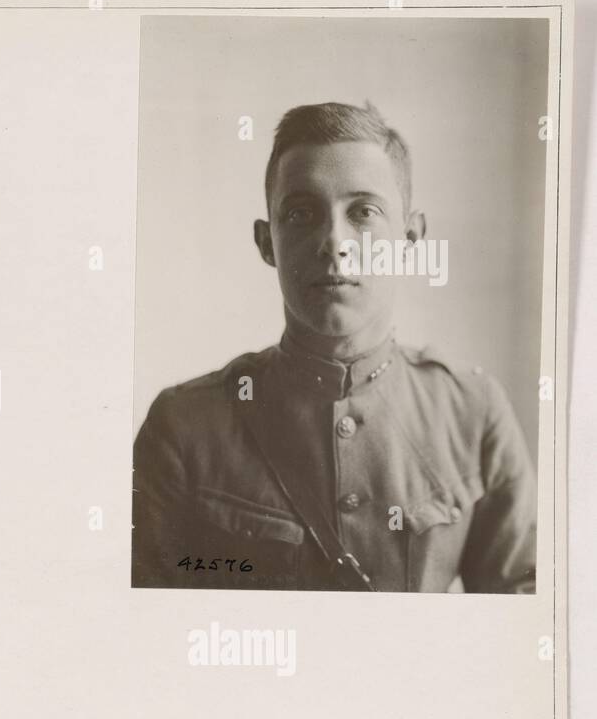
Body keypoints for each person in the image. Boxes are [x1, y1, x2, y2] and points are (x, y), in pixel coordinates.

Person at [131, 101, 536, 593]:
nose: (334, 242)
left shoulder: (473, 414)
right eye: (301, 214)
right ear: (267, 242)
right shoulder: (185, 428)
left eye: (363, 212)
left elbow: (521, 630)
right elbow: (144, 636)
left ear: (410, 239)